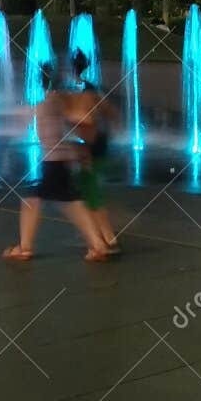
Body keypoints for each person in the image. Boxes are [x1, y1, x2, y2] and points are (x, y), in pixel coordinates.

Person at [3, 64, 111, 263]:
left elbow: (79, 119)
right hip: (59, 162)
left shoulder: (51, 103)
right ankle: (98, 245)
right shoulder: (58, 102)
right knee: (69, 203)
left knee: (44, 201)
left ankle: (25, 248)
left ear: (42, 84)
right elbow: (77, 120)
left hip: (55, 163)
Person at [70, 50, 121, 256]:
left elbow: (85, 121)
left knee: (88, 195)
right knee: (88, 192)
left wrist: (85, 150)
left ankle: (105, 240)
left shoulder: (77, 91)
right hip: (99, 143)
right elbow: (111, 113)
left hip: (90, 147)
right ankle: (104, 238)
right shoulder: (91, 88)